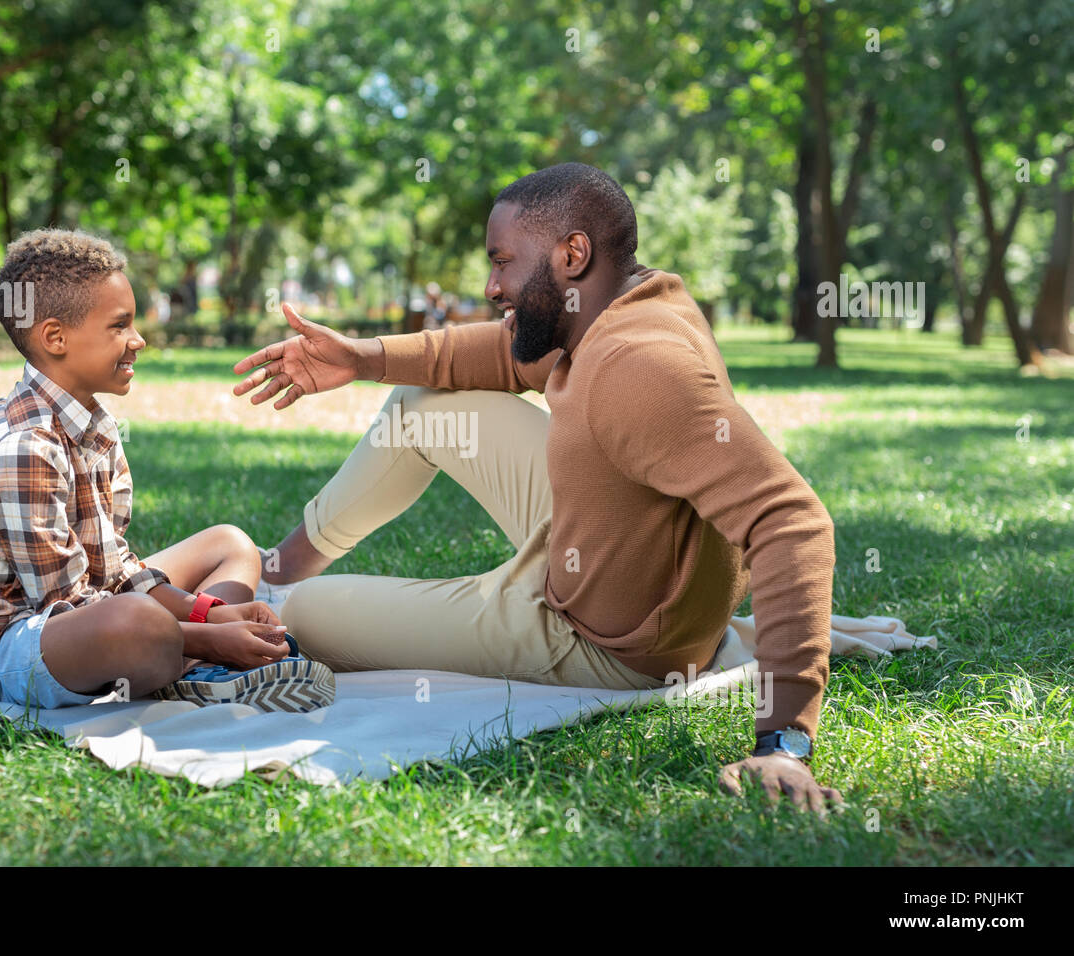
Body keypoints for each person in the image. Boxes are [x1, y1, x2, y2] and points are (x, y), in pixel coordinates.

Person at [235, 163, 841, 812]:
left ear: (572, 254)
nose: (493, 287)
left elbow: (791, 521)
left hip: (598, 637)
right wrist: (361, 358)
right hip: (595, 537)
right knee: (424, 405)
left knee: (296, 617)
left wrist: (784, 743)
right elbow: (500, 355)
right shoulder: (618, 301)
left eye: (503, 262)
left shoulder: (640, 367)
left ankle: (283, 593)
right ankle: (282, 564)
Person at [0, 228, 331, 713]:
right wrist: (209, 636)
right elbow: (71, 601)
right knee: (138, 625)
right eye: (119, 326)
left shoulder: (94, 423)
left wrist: (210, 613)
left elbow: (112, 568)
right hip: (0, 652)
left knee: (232, 544)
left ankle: (191, 665)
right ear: (55, 337)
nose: (138, 340)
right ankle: (198, 659)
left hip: (82, 611)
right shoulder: (24, 449)